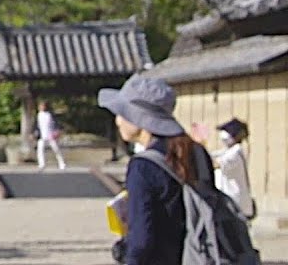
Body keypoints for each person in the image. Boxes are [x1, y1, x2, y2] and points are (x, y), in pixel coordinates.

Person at [99, 75, 218, 265]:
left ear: (138, 119)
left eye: (122, 113)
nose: (118, 121)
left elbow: (142, 239)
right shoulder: (197, 151)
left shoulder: (143, 166)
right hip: (203, 256)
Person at [213, 118, 254, 220]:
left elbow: (217, 164)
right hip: (226, 202)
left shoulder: (235, 153)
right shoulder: (227, 151)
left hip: (234, 203)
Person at [35, 101, 66, 170]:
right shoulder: (38, 115)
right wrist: (35, 132)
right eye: (40, 106)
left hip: (50, 135)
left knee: (56, 149)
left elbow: (56, 124)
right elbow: (36, 125)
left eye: (43, 106)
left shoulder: (50, 114)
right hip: (42, 136)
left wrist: (56, 132)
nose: (41, 108)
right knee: (40, 150)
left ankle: (61, 163)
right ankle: (42, 164)